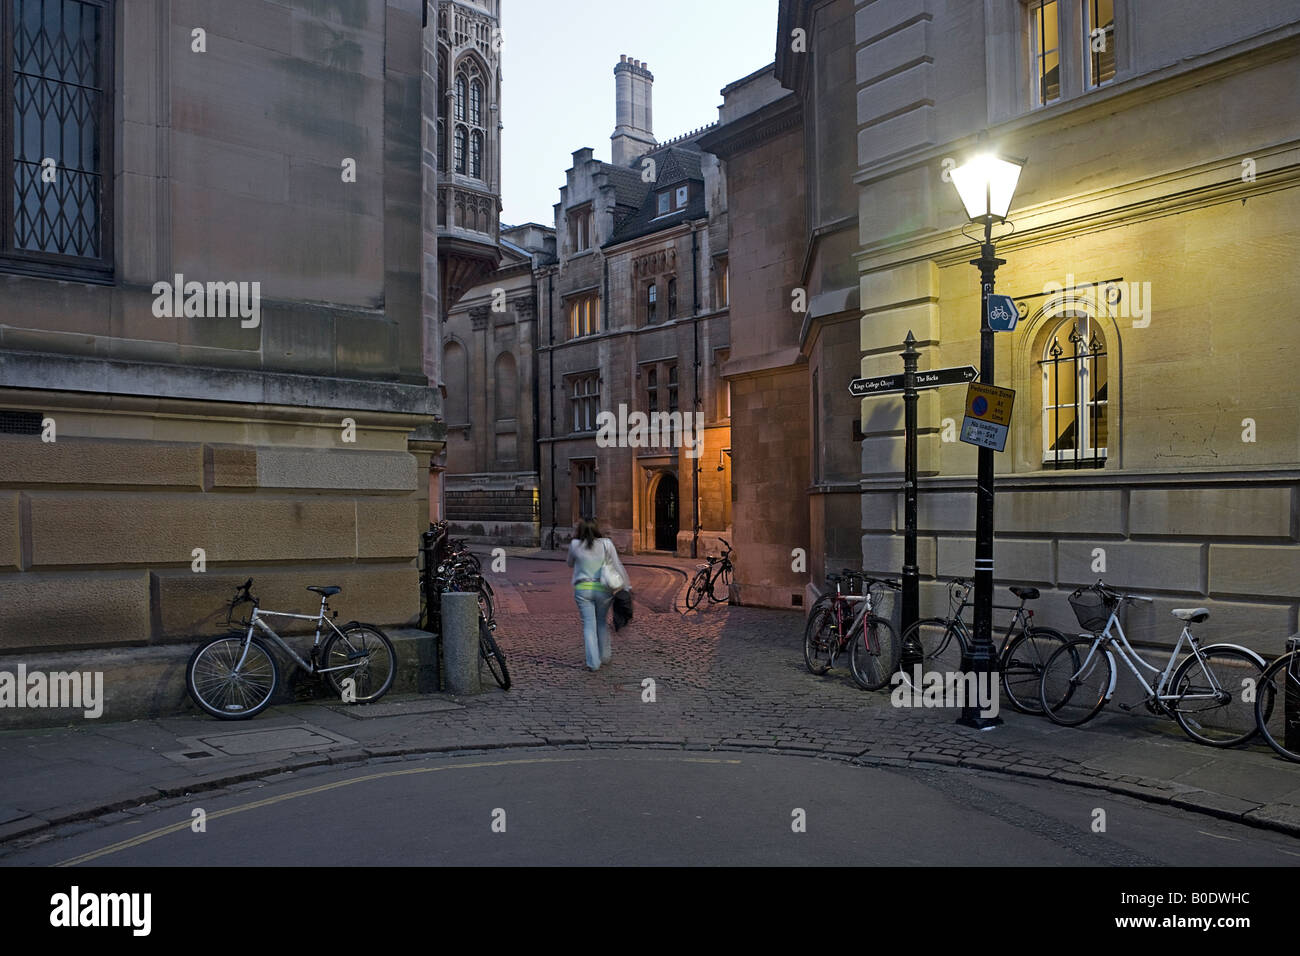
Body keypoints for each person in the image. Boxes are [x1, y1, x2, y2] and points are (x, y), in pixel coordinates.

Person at [565, 519, 628, 671]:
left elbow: (569, 563)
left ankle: (593, 662)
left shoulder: (575, 545)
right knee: (601, 622)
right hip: (603, 589)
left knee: (588, 625)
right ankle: (605, 655)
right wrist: (626, 585)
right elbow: (617, 564)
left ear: (580, 530)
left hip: (583, 589)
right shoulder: (606, 543)